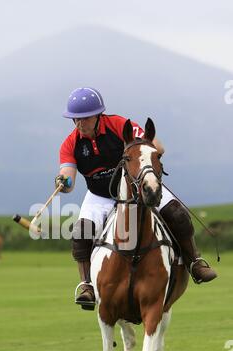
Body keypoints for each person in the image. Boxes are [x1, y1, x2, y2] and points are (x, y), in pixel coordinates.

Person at [55, 87, 217, 310]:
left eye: (85, 118)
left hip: (136, 187)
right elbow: (68, 178)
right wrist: (62, 183)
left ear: (98, 115)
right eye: (76, 119)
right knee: (81, 231)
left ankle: (194, 262)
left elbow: (157, 148)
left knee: (176, 213)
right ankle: (86, 285)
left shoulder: (120, 125)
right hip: (99, 195)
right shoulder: (70, 144)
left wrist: (139, 150)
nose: (80, 124)